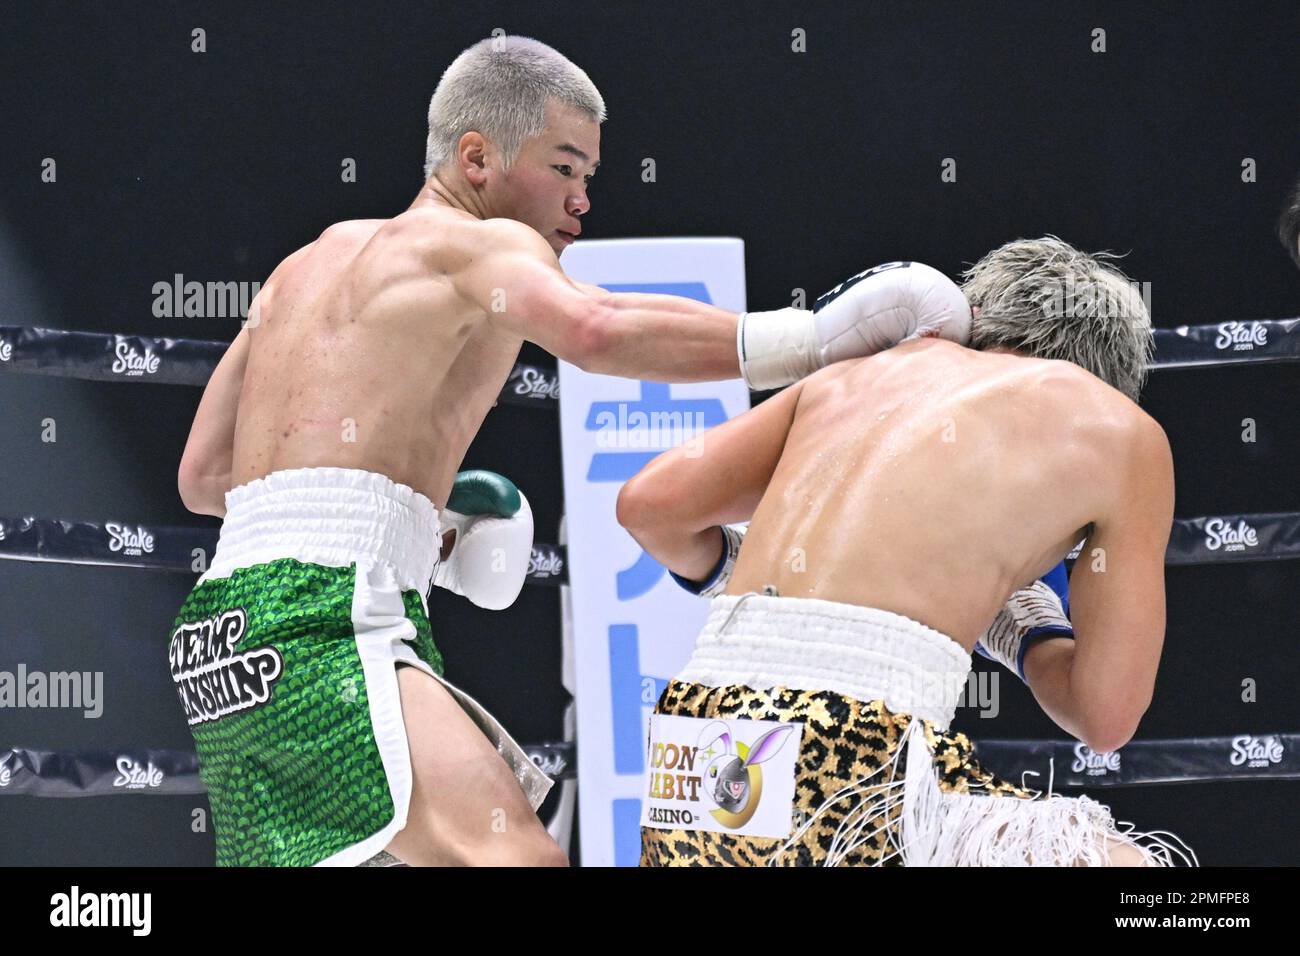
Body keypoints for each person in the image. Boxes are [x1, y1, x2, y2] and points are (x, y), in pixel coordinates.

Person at [172, 34, 970, 866]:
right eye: (563, 168)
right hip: (325, 615)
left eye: (590, 176)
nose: (583, 200)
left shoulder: (300, 268)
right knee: (518, 856)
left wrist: (428, 532)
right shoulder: (478, 245)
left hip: (220, 643)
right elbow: (596, 329)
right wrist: (815, 339)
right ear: (475, 157)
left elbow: (205, 477)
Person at [621, 237, 1196, 866]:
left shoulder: (855, 377)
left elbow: (651, 508)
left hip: (694, 755)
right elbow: (1106, 717)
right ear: (1113, 374)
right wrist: (1024, 628)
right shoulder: (1120, 431)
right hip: (849, 761)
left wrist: (745, 565)